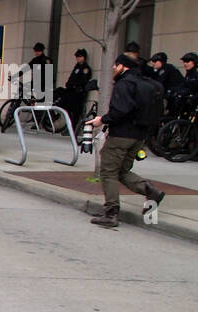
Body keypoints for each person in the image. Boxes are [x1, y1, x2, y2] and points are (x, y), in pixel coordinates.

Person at [87, 54, 166, 228]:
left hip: (121, 135)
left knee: (108, 172)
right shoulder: (146, 84)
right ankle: (150, 191)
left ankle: (111, 213)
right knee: (122, 171)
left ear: (124, 67)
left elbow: (120, 110)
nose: (114, 68)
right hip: (139, 136)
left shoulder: (124, 84)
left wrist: (103, 119)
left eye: (116, 65)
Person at [54, 48, 94, 127]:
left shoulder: (85, 68)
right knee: (61, 98)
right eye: (77, 57)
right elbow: (71, 78)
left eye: (80, 57)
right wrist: (69, 84)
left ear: (84, 57)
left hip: (78, 94)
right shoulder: (77, 67)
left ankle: (73, 128)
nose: (78, 58)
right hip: (71, 92)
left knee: (75, 113)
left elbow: (83, 81)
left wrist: (74, 85)